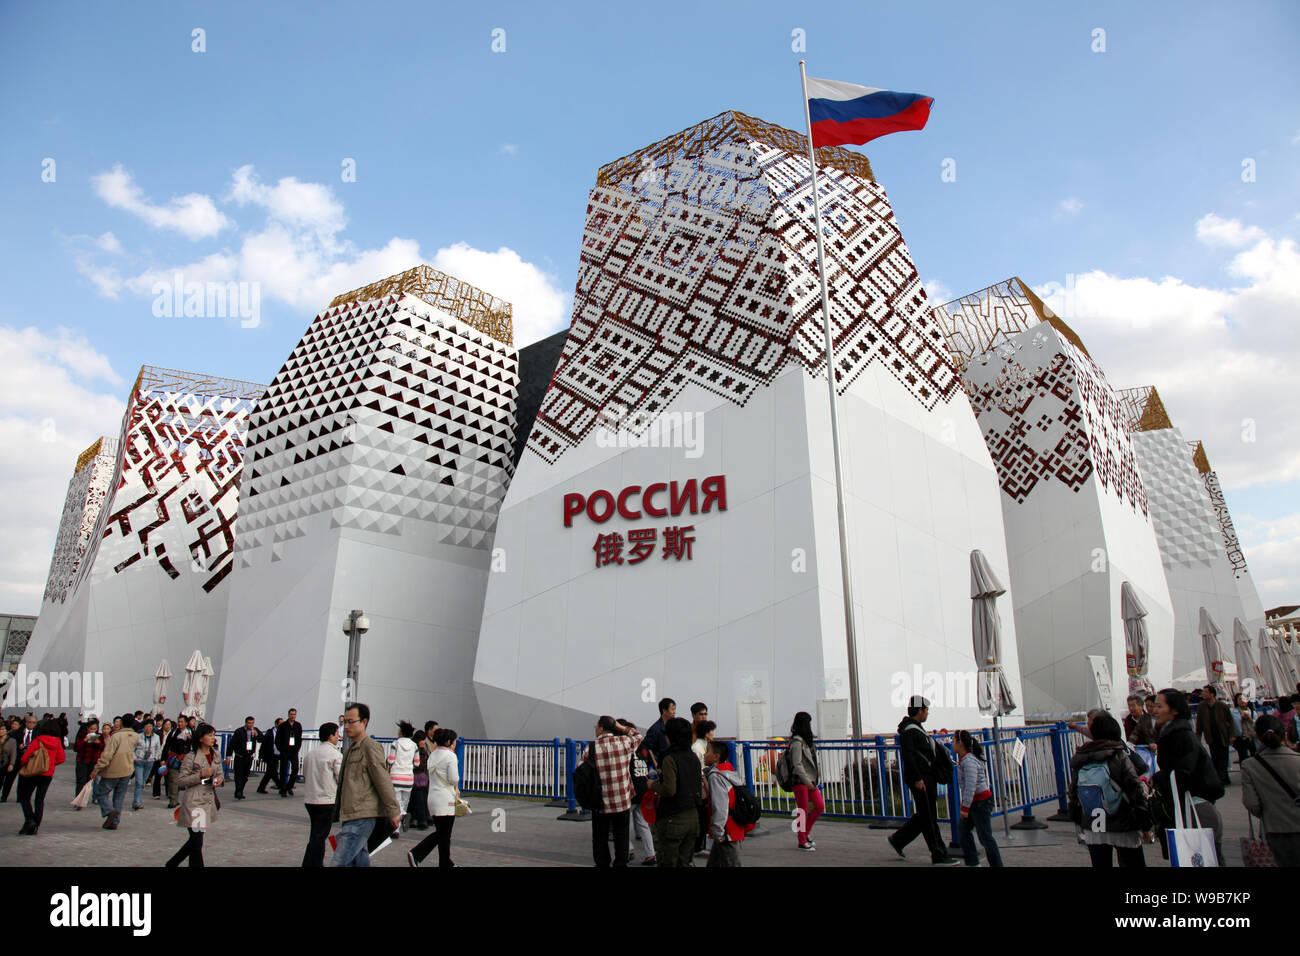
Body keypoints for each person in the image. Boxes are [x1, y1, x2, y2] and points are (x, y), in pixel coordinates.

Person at [1068, 712, 1151, 867]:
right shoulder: (1119, 755)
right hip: (1122, 823)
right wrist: (1145, 824)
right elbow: (1135, 790)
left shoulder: (1081, 757)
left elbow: (1073, 792)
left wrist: (1078, 821)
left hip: (1093, 824)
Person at [1152, 688, 1225, 863]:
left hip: (1195, 809)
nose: (1154, 710)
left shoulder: (1180, 736)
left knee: (1202, 859)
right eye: (1154, 706)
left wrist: (1158, 779)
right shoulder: (1172, 732)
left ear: (1175, 710)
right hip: (1189, 807)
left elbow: (1183, 773)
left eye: (1159, 706)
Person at [890, 696, 958, 864]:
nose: (927, 713)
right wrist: (918, 778)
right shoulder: (910, 731)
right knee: (929, 818)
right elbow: (909, 756)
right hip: (921, 779)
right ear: (919, 711)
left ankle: (899, 840)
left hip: (927, 777)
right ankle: (939, 854)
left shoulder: (914, 729)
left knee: (925, 815)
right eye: (926, 710)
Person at [332, 703, 401, 867]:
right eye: (345, 722)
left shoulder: (370, 747)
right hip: (351, 814)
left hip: (361, 816)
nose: (346, 726)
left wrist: (393, 811)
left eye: (351, 722)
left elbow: (382, 780)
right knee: (359, 860)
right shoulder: (351, 749)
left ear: (364, 722)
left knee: (339, 862)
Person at [582, 716, 643, 867]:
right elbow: (638, 736)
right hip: (622, 800)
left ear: (601, 728)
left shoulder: (591, 748)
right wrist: (621, 727)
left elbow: (581, 770)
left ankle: (602, 863)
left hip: (600, 801)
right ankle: (621, 863)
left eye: (596, 726)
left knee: (600, 837)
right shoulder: (623, 742)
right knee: (622, 835)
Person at [1240, 714, 1300, 865]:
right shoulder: (1297, 760)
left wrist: (1268, 812)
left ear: (1258, 737)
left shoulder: (1250, 766)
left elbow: (1252, 803)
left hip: (1274, 829)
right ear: (1284, 734)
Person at [165, 723, 223, 867]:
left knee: (196, 841)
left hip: (208, 800)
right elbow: (181, 781)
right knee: (196, 842)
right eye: (209, 735)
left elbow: (220, 773)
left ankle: (172, 863)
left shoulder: (215, 753)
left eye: (213, 735)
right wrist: (200, 775)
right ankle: (172, 863)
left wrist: (219, 780)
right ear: (201, 738)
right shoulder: (191, 756)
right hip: (195, 801)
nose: (212, 738)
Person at [648, 717, 701, 866]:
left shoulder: (669, 759)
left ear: (671, 737)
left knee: (668, 861)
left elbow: (669, 790)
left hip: (673, 818)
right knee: (685, 861)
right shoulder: (694, 757)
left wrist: (652, 785)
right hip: (693, 817)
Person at [409, 727, 461, 868]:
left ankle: (445, 862)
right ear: (449, 741)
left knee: (442, 833)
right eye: (454, 741)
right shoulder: (450, 756)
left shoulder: (433, 754)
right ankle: (417, 853)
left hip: (433, 798)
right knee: (443, 834)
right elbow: (454, 778)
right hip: (446, 799)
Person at [955, 730, 1002, 867]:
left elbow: (971, 785)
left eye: (953, 741)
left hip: (980, 802)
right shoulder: (966, 759)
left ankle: (996, 864)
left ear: (960, 743)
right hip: (975, 802)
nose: (952, 744)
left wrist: (965, 807)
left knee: (985, 837)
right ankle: (972, 862)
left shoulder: (968, 761)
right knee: (963, 831)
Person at [704, 740, 753, 867]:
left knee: (731, 862)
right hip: (734, 825)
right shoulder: (729, 771)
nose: (704, 754)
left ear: (716, 757)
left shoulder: (716, 776)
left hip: (726, 829)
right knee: (715, 861)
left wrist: (717, 830)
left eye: (707, 751)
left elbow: (720, 806)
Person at [302, 721, 342, 867]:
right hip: (327, 800)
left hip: (310, 799)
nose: (339, 736)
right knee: (319, 836)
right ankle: (315, 863)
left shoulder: (311, 754)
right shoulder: (335, 755)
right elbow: (340, 778)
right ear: (331, 736)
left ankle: (309, 863)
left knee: (316, 834)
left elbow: (305, 773)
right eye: (337, 734)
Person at [16, 717, 64, 834]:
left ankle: (29, 819)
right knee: (39, 799)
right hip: (47, 774)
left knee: (24, 797)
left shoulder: (38, 740)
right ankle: (35, 824)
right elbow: (61, 758)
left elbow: (24, 758)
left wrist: (27, 765)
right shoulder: (57, 742)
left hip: (33, 772)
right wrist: (50, 764)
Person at [91, 712, 138, 830]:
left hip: (113, 770)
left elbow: (107, 755)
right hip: (127, 769)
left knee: (101, 793)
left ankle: (109, 811)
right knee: (119, 797)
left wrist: (97, 769)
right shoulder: (136, 736)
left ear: (121, 722)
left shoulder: (116, 736)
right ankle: (115, 822)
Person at [621, 717, 656, 865]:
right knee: (642, 823)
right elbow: (651, 765)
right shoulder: (643, 749)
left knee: (622, 823)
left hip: (629, 790)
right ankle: (650, 854)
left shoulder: (624, 748)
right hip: (643, 789)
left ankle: (628, 850)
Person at [787, 711, 823, 851]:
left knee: (819, 806)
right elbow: (797, 764)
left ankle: (805, 833)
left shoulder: (807, 741)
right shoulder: (797, 742)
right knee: (803, 810)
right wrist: (807, 780)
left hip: (810, 779)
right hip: (800, 780)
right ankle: (802, 839)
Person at [1195, 685, 1235, 787]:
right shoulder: (1201, 706)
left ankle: (1221, 778)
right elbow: (1199, 723)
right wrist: (1198, 736)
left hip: (1222, 735)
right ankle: (1223, 777)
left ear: (1212, 694)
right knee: (1215, 757)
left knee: (1223, 757)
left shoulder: (1222, 706)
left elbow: (1230, 721)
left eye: (1205, 692)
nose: (1203, 694)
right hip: (1211, 736)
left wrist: (1232, 734)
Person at [691, 718, 717, 855]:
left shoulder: (705, 746)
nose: (713, 734)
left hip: (706, 784)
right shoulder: (697, 748)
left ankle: (702, 844)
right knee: (702, 816)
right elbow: (698, 769)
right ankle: (698, 846)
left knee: (705, 816)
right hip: (701, 786)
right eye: (712, 731)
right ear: (707, 733)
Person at [387, 720, 417, 828]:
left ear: (402, 732)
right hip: (408, 777)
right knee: (404, 802)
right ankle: (403, 815)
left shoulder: (395, 744)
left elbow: (390, 760)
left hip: (395, 776)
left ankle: (396, 828)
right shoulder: (414, 746)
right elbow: (417, 763)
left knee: (396, 803)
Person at [226, 716, 259, 799]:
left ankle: (240, 790)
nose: (250, 725)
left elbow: (262, 739)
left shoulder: (255, 731)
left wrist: (256, 734)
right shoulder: (239, 731)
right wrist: (228, 756)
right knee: (238, 775)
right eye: (249, 723)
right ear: (246, 723)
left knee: (245, 775)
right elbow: (232, 744)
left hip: (249, 756)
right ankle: (238, 791)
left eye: (252, 723)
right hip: (240, 756)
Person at [72, 718, 104, 803]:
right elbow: (76, 748)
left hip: (93, 761)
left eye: (95, 729)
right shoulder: (82, 735)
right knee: (80, 781)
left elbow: (103, 749)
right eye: (91, 729)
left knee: (88, 781)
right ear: (87, 729)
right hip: (82, 760)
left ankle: (84, 799)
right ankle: (78, 799)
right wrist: (85, 740)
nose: (93, 731)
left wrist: (98, 743)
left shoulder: (99, 736)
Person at [132, 719, 161, 811]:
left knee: (143, 782)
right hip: (139, 761)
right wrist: (134, 757)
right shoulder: (138, 736)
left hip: (150, 761)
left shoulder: (156, 737)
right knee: (139, 782)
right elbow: (132, 747)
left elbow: (158, 748)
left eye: (150, 726)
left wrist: (155, 757)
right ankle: (137, 802)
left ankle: (138, 799)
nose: (148, 728)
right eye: (146, 726)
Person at [163, 715, 192, 807]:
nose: (180, 724)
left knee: (182, 781)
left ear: (186, 723)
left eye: (182, 722)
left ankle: (176, 796)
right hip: (174, 759)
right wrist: (163, 759)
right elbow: (167, 746)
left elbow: (195, 746)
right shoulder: (173, 733)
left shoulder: (190, 733)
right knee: (173, 780)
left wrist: (189, 739)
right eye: (178, 721)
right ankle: (173, 800)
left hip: (186, 760)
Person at [276, 708, 303, 797]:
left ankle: (289, 786)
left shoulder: (298, 725)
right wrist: (281, 749)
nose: (293, 716)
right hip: (285, 751)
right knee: (283, 770)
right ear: (288, 715)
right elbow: (278, 739)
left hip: (294, 751)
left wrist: (297, 748)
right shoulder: (283, 725)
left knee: (295, 768)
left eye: (294, 714)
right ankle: (283, 789)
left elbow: (299, 738)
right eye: (291, 714)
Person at [642, 697, 675, 768]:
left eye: (674, 709)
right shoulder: (655, 729)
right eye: (672, 709)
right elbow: (647, 747)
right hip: (660, 765)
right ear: (664, 711)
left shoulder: (674, 726)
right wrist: (655, 763)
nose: (674, 712)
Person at [408, 730, 430, 830]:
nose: (424, 742)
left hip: (420, 777)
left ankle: (415, 819)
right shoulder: (416, 750)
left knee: (416, 800)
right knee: (419, 799)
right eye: (422, 740)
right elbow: (417, 765)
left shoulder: (422, 749)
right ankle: (422, 820)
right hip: (418, 777)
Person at [256, 716, 281, 794]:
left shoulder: (282, 733)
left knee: (269, 773)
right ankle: (281, 786)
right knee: (273, 771)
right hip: (270, 755)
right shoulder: (270, 733)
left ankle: (261, 787)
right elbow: (264, 744)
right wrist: (260, 756)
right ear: (276, 724)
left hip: (278, 755)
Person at [1232, 693, 1258, 766]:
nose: (1242, 701)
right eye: (1239, 699)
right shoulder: (1233, 712)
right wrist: (1241, 720)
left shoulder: (1252, 712)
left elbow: (1256, 725)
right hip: (1240, 737)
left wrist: (1249, 719)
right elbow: (1230, 724)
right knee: (1242, 757)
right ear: (1236, 701)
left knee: (1254, 756)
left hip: (1252, 737)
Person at [152, 718, 173, 799]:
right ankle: (156, 793)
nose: (167, 726)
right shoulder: (158, 733)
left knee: (168, 776)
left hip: (168, 757)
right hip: (158, 756)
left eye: (169, 725)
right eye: (166, 724)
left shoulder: (173, 734)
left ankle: (168, 793)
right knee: (158, 775)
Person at [0, 726, 16, 805]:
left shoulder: (12, 741)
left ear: (7, 731)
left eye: (3, 729)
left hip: (6, 763)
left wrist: (11, 764)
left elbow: (13, 754)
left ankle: (4, 796)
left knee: (7, 782)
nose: (1, 731)